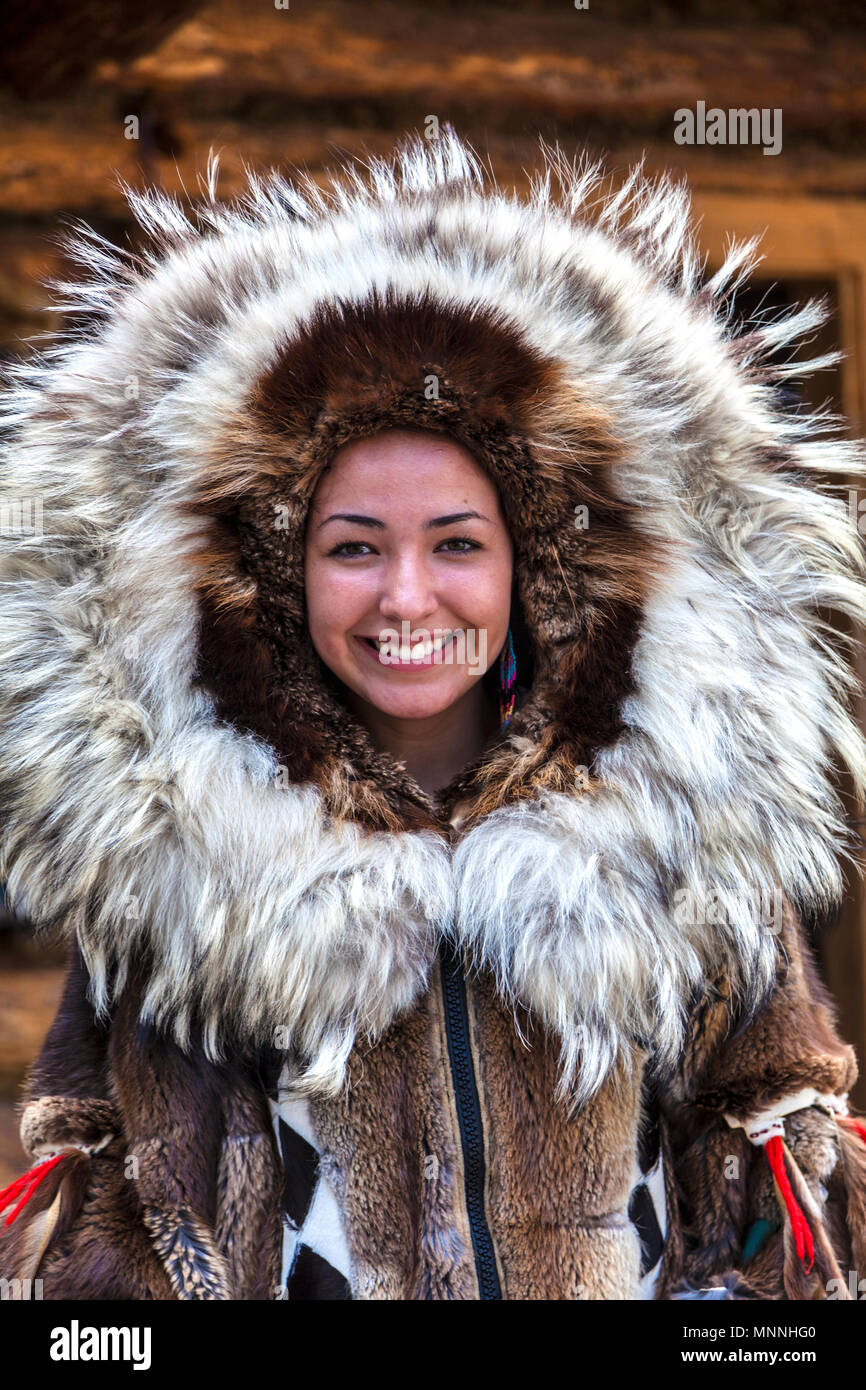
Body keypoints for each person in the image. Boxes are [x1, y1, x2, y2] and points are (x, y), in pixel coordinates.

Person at [1, 129, 866, 1301]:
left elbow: (778, 1237)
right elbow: (98, 1274)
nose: (407, 597)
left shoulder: (687, 852)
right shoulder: (173, 880)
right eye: (353, 547)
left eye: (457, 544)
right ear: (277, 569)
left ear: (536, 571)